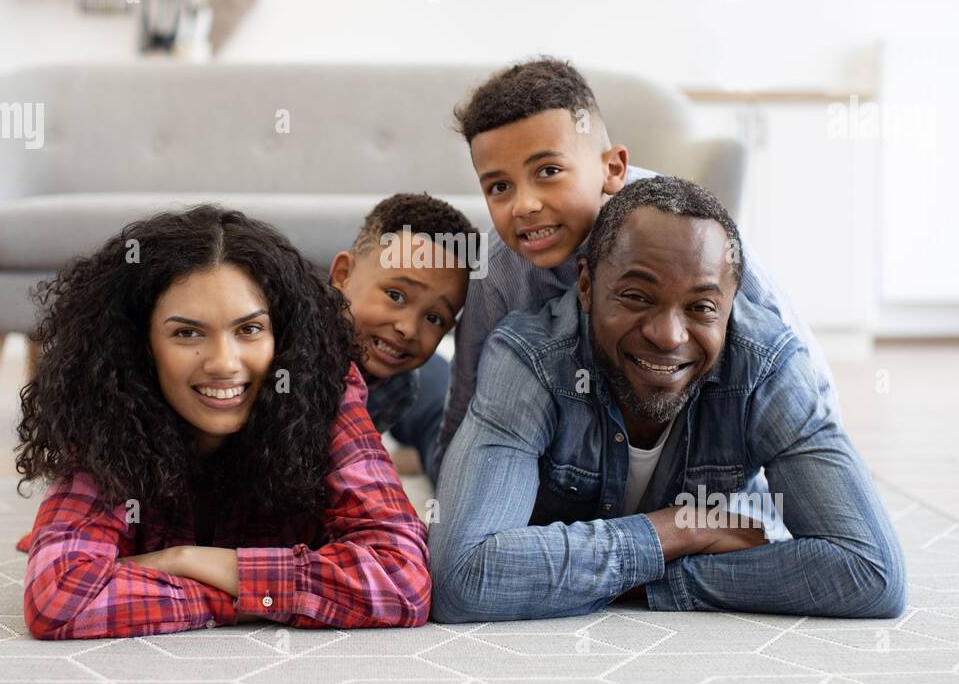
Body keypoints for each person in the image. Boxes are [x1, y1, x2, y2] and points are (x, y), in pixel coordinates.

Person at [430, 176, 905, 622]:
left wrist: (654, 582)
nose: (667, 335)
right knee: (424, 411)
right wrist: (679, 530)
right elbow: (463, 577)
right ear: (587, 285)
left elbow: (871, 572)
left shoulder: (766, 365)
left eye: (701, 308)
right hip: (457, 409)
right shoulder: (531, 358)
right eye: (637, 297)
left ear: (732, 305)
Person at [15, 205, 430, 639]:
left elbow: (402, 581)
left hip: (404, 384)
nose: (223, 363)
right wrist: (252, 599)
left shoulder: (320, 384)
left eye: (249, 330)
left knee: (427, 401)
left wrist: (185, 561)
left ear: (283, 338)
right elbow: (59, 598)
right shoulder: (111, 405)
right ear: (141, 348)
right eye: (187, 333)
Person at [433, 56, 840, 473]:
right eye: (499, 187)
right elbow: (467, 403)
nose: (525, 205)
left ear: (613, 169)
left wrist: (818, 455)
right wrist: (454, 488)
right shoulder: (499, 271)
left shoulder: (689, 229)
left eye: (549, 171)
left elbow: (788, 348)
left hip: (692, 455)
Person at [327, 192, 475, 482]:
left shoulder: (402, 388)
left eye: (434, 319)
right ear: (343, 274)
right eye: (395, 295)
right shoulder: (285, 352)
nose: (408, 328)